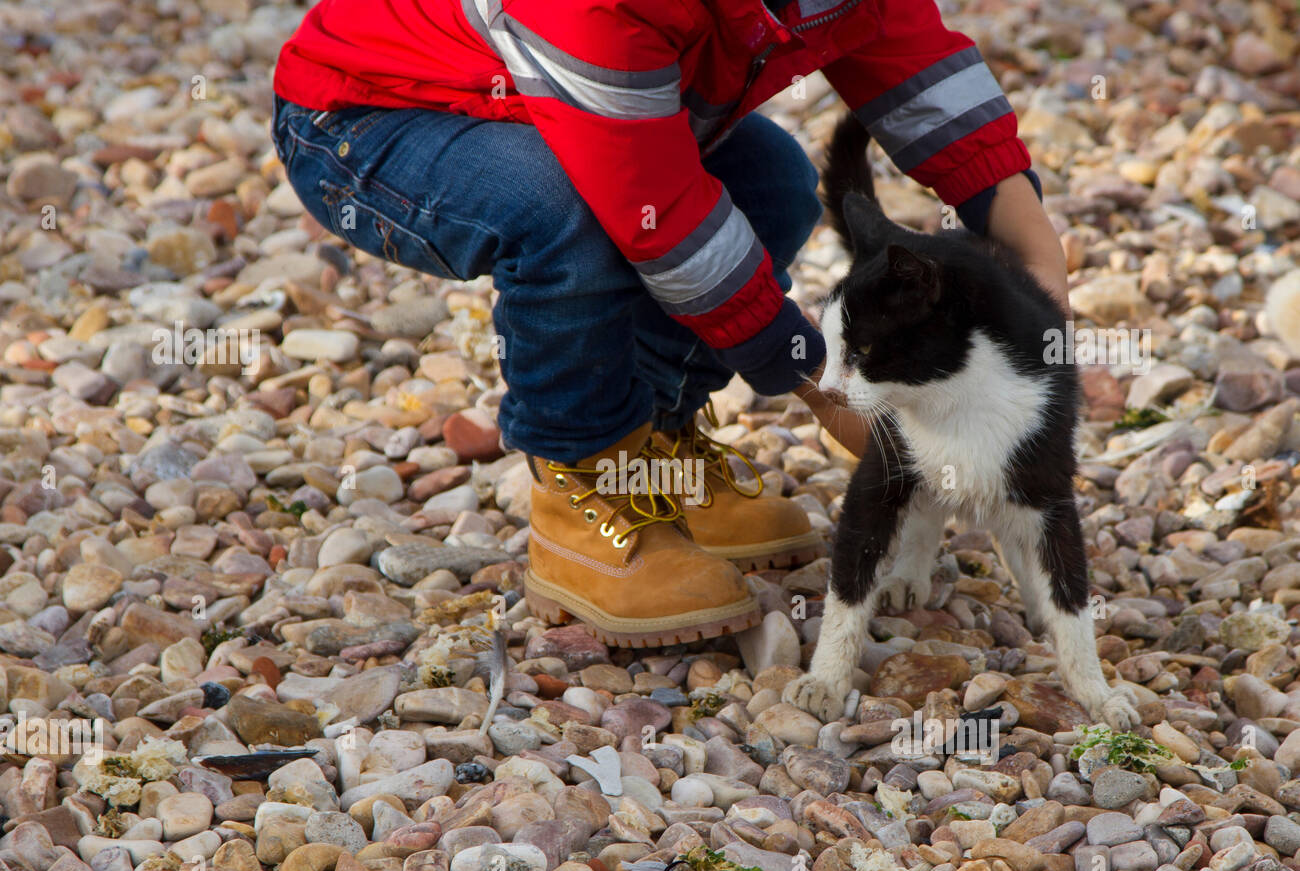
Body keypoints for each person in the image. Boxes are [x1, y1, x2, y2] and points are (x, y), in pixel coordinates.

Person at [270, 0, 1069, 647]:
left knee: (774, 184)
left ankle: (652, 450)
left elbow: (913, 63)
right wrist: (822, 384)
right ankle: (582, 485)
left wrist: (1037, 260)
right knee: (568, 213)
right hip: (368, 115)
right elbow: (661, 220)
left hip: (545, 94)